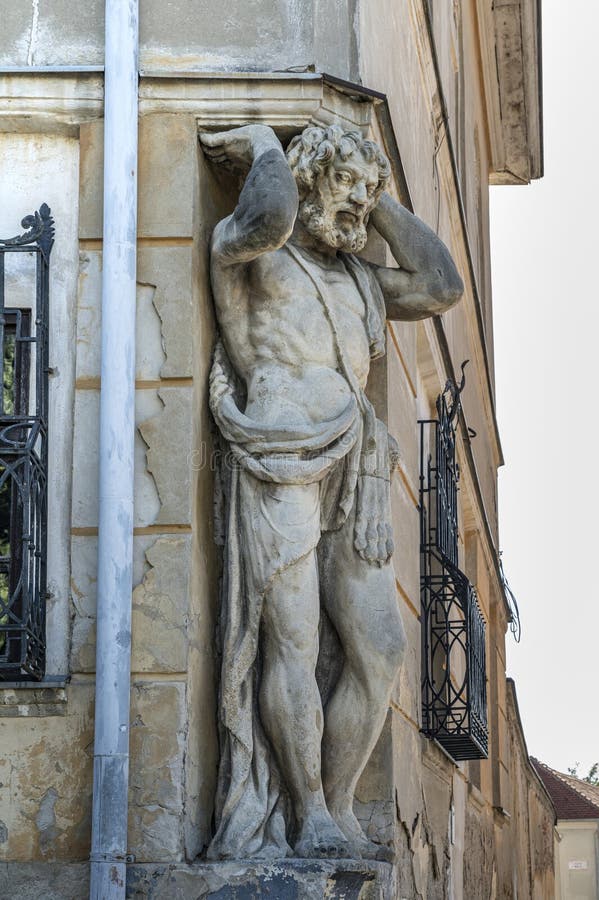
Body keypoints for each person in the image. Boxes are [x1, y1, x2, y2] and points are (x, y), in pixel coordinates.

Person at [201, 123, 463, 861]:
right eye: (342, 183)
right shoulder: (246, 248)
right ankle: (308, 811)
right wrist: (267, 146)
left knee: (380, 648)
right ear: (306, 178)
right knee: (292, 639)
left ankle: (340, 803)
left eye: (364, 192)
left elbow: (441, 285)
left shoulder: (361, 281)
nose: (354, 202)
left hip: (355, 462)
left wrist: (374, 195)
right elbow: (268, 218)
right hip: (278, 453)